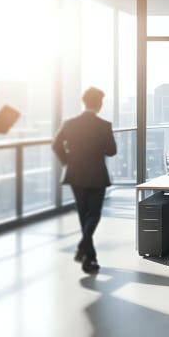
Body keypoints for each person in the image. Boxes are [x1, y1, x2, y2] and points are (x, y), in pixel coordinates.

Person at [53, 87, 116, 274]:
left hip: (75, 174)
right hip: (97, 174)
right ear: (99, 104)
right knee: (94, 213)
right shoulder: (104, 125)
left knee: (83, 214)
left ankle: (89, 257)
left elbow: (56, 145)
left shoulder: (69, 123)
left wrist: (68, 161)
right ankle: (84, 249)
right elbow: (112, 151)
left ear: (84, 101)